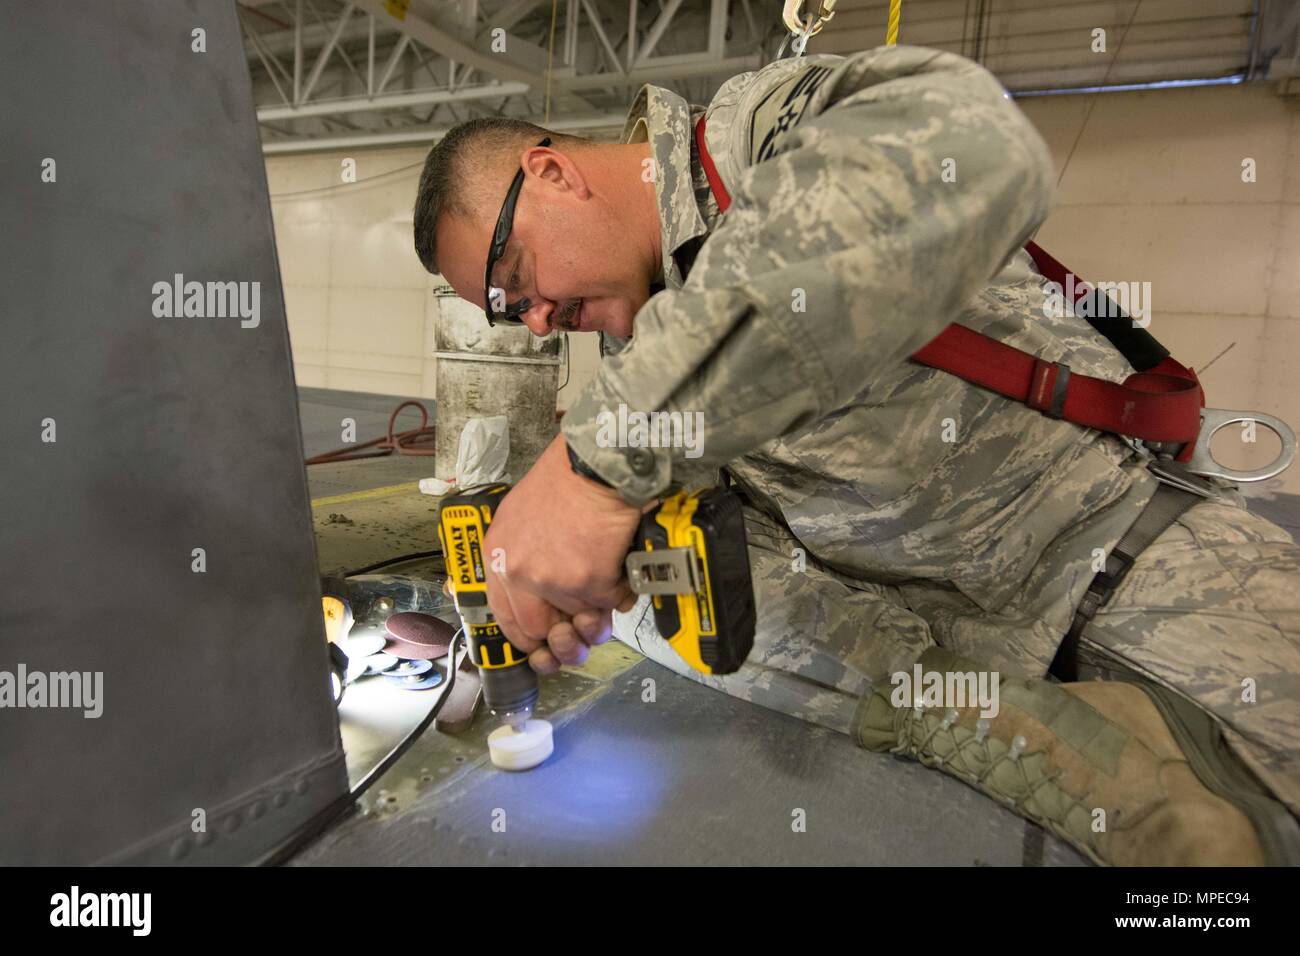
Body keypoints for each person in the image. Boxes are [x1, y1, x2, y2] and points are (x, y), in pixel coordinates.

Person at [412, 43, 1300, 865]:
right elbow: (723, 572)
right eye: (505, 314)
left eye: (515, 283)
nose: (531, 320)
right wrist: (584, 575)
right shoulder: (631, 351)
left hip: (1148, 573)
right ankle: (997, 727)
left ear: (553, 173)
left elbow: (978, 145)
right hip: (979, 668)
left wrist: (595, 461)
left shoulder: (759, 133)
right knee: (656, 585)